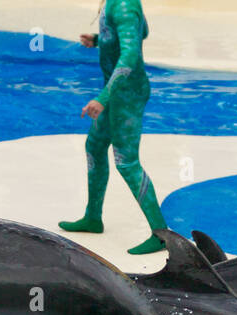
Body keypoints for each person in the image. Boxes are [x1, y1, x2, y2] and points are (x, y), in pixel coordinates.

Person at [59, 0, 168, 255]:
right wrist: (100, 40)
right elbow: (144, 31)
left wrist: (102, 98)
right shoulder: (116, 3)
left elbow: (130, 55)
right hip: (115, 91)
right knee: (95, 147)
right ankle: (93, 218)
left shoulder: (124, 6)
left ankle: (161, 234)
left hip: (126, 95)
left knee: (127, 162)